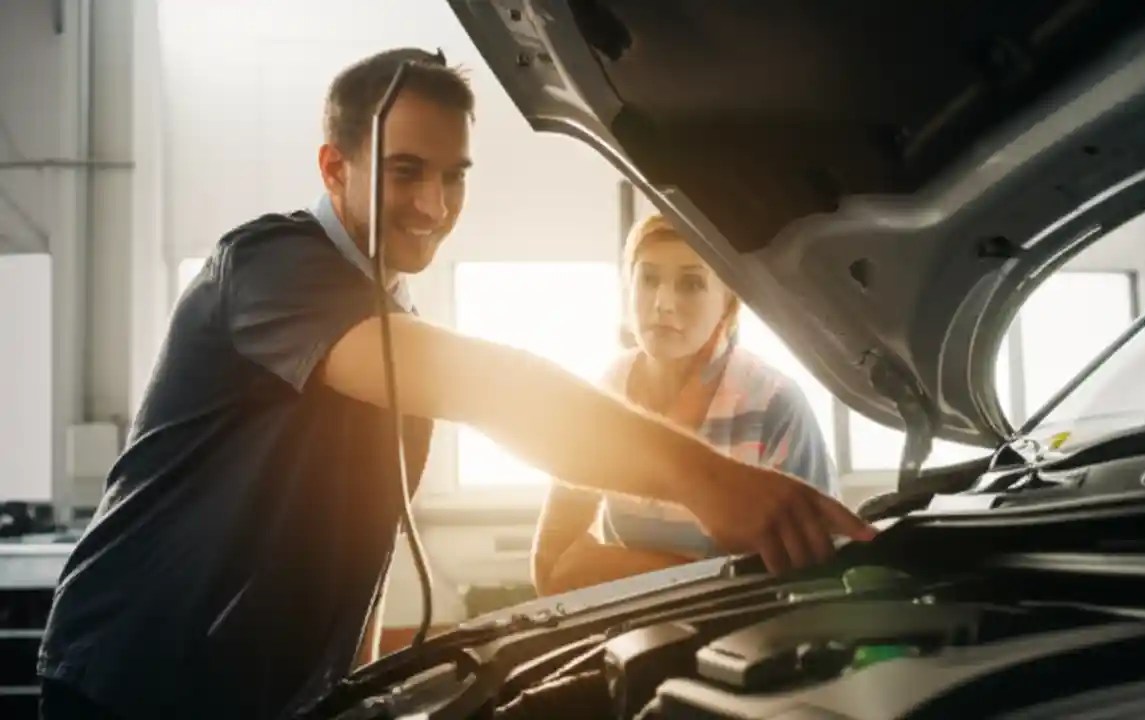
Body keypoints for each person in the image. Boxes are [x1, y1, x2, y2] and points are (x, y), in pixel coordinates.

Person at [36, 48, 873, 720]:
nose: (435, 206)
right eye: (405, 172)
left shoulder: (386, 305)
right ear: (334, 168)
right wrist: (711, 481)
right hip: (133, 676)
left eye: (455, 174)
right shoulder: (270, 268)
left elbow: (356, 530)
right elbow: (497, 390)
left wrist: (350, 683)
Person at [531, 214, 839, 595]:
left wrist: (624, 570)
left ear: (728, 302)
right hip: (633, 632)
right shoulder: (606, 392)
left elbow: (815, 575)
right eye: (648, 278)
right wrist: (703, 576)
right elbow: (552, 566)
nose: (662, 303)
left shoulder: (775, 405)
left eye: (691, 283)